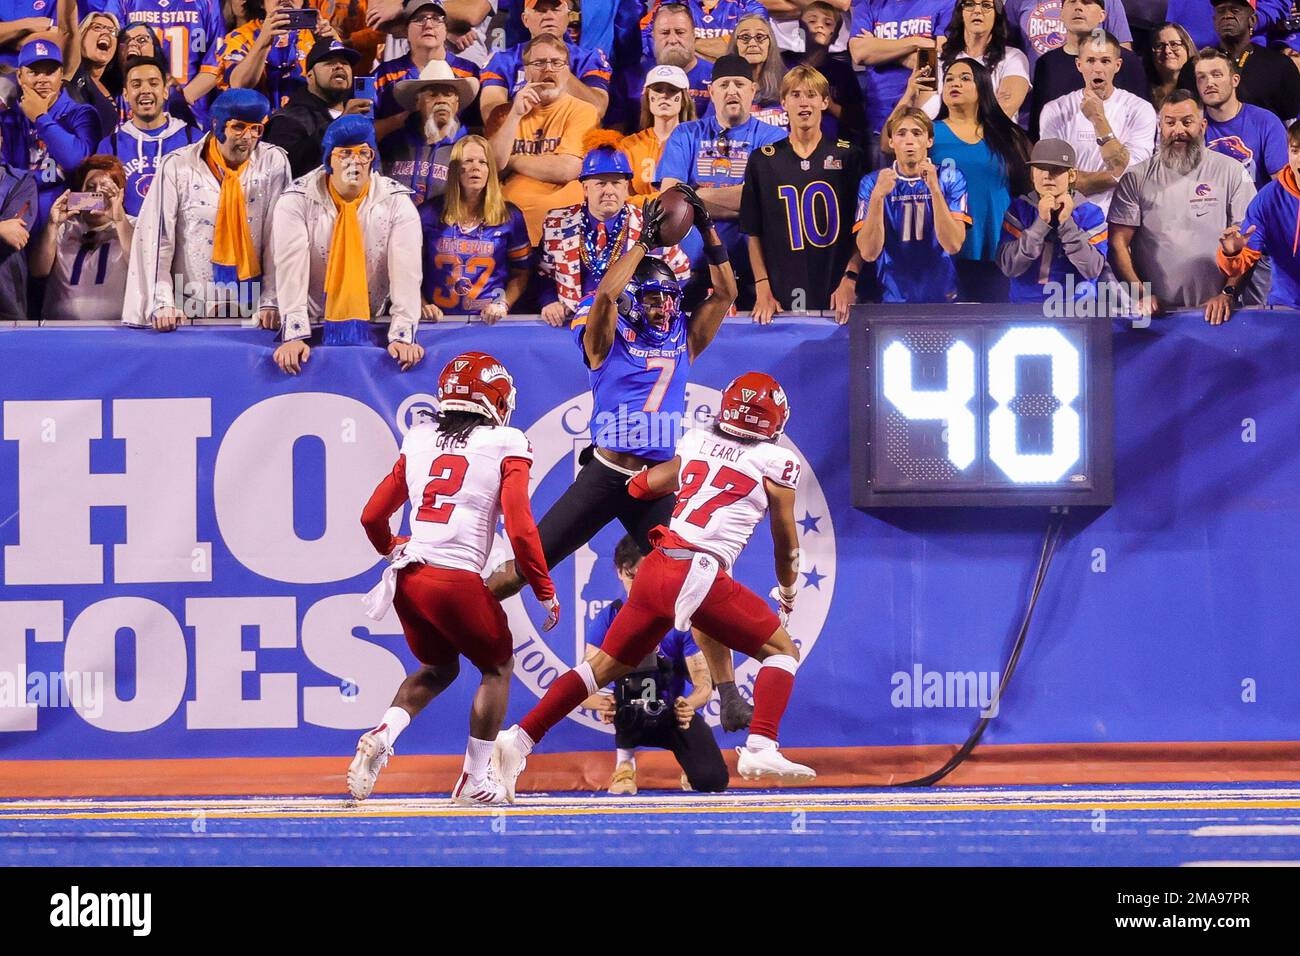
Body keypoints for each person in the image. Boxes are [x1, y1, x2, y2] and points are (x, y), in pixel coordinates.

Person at [487, 187, 756, 734]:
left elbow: (726, 292)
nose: (660, 307)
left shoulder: (683, 337)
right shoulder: (603, 338)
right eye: (651, 299)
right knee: (528, 563)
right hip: (608, 473)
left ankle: (727, 690)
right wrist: (643, 242)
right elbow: (605, 296)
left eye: (665, 299)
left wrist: (707, 230)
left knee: (696, 582)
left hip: (656, 482)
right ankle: (460, 609)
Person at [493, 370, 815, 800]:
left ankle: (519, 739)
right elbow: (786, 543)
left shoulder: (696, 441)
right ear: (773, 421)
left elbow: (643, 485)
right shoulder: (777, 463)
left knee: (600, 668)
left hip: (659, 563)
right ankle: (760, 746)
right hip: (699, 569)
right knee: (781, 652)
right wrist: (788, 590)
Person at [350, 351, 559, 806]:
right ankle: (473, 778)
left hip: (408, 577)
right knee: (497, 666)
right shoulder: (507, 441)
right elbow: (522, 527)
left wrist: (391, 546)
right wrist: (544, 587)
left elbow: (370, 516)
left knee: (438, 668)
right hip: (455, 579)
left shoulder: (420, 437)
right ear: (496, 399)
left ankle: (385, 733)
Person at [123, 89, 290, 329]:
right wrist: (161, 302)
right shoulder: (178, 165)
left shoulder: (273, 162)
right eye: (239, 127)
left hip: (253, 305)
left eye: (256, 129)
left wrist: (272, 300)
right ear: (217, 124)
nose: (248, 137)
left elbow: (278, 236)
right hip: (189, 302)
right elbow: (158, 238)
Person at [271, 116, 425, 372]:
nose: (354, 162)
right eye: (344, 153)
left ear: (373, 158)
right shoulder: (295, 200)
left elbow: (407, 271)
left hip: (373, 318)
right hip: (312, 318)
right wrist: (294, 335)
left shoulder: (397, 202)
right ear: (328, 159)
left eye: (363, 153)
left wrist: (403, 335)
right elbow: (290, 268)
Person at [580, 535, 726, 796]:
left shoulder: (681, 620)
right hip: (629, 715)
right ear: (620, 573)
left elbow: (704, 684)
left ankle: (691, 768)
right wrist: (599, 702)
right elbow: (583, 682)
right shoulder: (609, 617)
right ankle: (624, 763)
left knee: (713, 781)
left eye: (646, 576)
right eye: (632, 576)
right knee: (635, 654)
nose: (639, 586)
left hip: (672, 715)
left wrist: (689, 705)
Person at [1108, 90, 1263, 323]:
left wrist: (1227, 293)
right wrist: (1141, 294)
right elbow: (1118, 243)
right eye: (1170, 123)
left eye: (1187, 122)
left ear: (1203, 126)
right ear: (1160, 128)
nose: (1178, 130)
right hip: (1157, 316)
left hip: (1219, 314)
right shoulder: (1136, 177)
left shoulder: (1232, 171)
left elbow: (1251, 240)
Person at [656, 53, 787, 307]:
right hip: (692, 271)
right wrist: (744, 201)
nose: (732, 91)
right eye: (724, 85)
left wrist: (695, 196)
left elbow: (766, 200)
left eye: (739, 84)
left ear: (753, 89)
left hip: (753, 272)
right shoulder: (686, 134)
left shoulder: (773, 137)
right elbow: (671, 203)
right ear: (712, 91)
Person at [740, 64, 864, 324]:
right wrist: (762, 286)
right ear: (783, 102)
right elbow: (753, 232)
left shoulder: (848, 155)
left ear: (824, 101)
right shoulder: (763, 161)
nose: (803, 102)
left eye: (811, 94)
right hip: (781, 287)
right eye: (795, 95)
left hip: (835, 286)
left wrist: (850, 278)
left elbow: (862, 228)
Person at [538, 133, 691, 328]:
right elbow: (543, 274)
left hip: (634, 327)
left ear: (626, 187)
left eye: (616, 183)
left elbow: (681, 271)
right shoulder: (557, 223)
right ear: (585, 188)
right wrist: (549, 301)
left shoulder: (650, 224)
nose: (609, 191)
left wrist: (655, 305)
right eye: (601, 183)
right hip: (574, 325)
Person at [927, 56, 1030, 301]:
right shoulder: (928, 133)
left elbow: (1026, 191)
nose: (955, 84)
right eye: (949, 79)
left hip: (998, 249)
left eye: (965, 79)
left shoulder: (1009, 135)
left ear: (982, 87)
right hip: (944, 252)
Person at [486, 34, 597, 244]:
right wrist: (515, 115)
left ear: (567, 71)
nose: (548, 69)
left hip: (563, 237)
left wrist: (514, 160)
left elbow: (567, 169)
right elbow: (492, 168)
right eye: (539, 63)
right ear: (526, 70)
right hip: (507, 234)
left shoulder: (583, 111)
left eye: (556, 63)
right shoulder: (504, 114)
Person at [854, 107, 970, 303]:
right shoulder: (873, 183)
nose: (909, 140)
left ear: (929, 140)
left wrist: (934, 189)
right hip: (892, 299)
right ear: (891, 141)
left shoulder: (951, 178)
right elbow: (868, 252)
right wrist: (877, 198)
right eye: (901, 133)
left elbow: (953, 244)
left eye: (917, 133)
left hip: (943, 298)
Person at [1038, 31, 1156, 217]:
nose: (1098, 69)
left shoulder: (1140, 109)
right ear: (1079, 64)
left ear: (1117, 66)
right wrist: (1113, 176)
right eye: (1091, 60)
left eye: (1105, 61)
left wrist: (1098, 119)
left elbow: (1135, 174)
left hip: (1122, 218)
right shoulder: (1055, 110)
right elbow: (1051, 176)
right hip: (1070, 218)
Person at [419, 134, 529, 322]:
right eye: (468, 161)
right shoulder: (428, 213)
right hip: (437, 324)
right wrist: (421, 305)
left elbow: (521, 272)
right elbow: (408, 271)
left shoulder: (510, 216)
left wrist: (503, 303)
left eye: (483, 162)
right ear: (455, 169)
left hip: (488, 324)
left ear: (490, 170)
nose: (475, 167)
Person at [0, 39, 100, 231]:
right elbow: (4, 180)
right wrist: (54, 176)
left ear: (61, 75)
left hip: (70, 227)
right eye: (34, 72)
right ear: (19, 76)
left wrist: (40, 117)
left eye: (50, 72)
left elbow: (76, 162)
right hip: (17, 225)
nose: (42, 79)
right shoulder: (6, 121)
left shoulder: (82, 114)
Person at [997, 138, 1109, 305]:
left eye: (1055, 170)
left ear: (1071, 175)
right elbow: (1009, 267)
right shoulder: (1019, 209)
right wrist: (1040, 224)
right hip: (1024, 308)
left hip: (1077, 309)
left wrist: (1067, 224)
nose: (1047, 176)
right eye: (1040, 169)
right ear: (1032, 174)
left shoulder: (1090, 214)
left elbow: (1093, 269)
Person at [847, 0, 953, 168]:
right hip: (879, 122)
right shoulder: (867, 3)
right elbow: (859, 53)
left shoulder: (944, 2)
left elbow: (938, 58)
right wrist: (917, 42)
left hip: (926, 124)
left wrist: (879, 49)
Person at [1027, 0, 1151, 139]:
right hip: (1060, 155)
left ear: (1102, 15)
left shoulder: (1126, 61)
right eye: (1072, 1)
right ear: (1061, 14)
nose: (1078, 7)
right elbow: (1037, 128)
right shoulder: (1047, 63)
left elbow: (1142, 119)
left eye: (1087, 2)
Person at [94, 56, 198, 219]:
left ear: (165, 91)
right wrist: (72, 203)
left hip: (180, 240)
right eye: (136, 84)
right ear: (126, 94)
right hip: (127, 241)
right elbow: (95, 199)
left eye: (153, 83)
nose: (145, 90)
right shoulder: (110, 145)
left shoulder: (194, 140)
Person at [33, 154, 133, 321]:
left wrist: (119, 219)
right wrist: (52, 225)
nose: (97, 193)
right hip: (59, 331)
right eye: (91, 188)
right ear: (80, 194)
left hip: (116, 333)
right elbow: (38, 270)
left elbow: (144, 267)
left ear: (120, 193)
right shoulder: (63, 226)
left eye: (106, 188)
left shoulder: (132, 226)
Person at [1217, 117, 1300, 313]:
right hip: (1286, 309)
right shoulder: (1268, 199)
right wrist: (1232, 253)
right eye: (1295, 151)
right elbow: (1239, 265)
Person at [480, 0, 611, 122]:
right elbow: (491, 115)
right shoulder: (502, 60)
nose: (548, 16)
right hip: (521, 140)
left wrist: (559, 71)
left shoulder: (589, 59)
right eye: (540, 11)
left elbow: (597, 109)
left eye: (556, 10)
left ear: (568, 17)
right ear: (525, 20)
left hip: (572, 138)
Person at [372, 1, 479, 148]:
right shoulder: (384, 75)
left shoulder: (470, 72)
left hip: (453, 165)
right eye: (419, 18)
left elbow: (482, 129)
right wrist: (405, 119)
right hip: (396, 164)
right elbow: (364, 133)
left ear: (447, 29)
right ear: (405, 30)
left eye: (436, 19)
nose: (428, 25)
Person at [103, 0, 226, 127]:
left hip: (189, 113)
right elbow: (108, 53)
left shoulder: (207, 3)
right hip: (132, 110)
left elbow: (216, 64)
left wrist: (177, 101)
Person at [1175, 0, 1300, 125]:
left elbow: (1291, 127)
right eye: (1221, 11)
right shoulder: (1194, 67)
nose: (1227, 15)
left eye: (1235, 10)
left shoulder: (1279, 66)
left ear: (1253, 20)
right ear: (1214, 21)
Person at [262, 38, 371, 179]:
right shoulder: (288, 118)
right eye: (329, 63)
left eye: (345, 63)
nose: (339, 66)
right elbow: (285, 169)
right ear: (310, 76)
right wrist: (339, 127)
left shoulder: (364, 114)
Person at [384, 58, 478, 204]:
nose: (441, 100)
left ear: (457, 103)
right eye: (433, 95)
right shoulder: (393, 143)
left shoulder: (469, 148)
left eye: (448, 95)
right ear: (417, 102)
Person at [215, 0, 337, 110]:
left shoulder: (317, 35)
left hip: (307, 125)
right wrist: (263, 41)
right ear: (261, 3)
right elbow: (239, 85)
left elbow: (338, 90)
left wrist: (331, 47)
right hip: (255, 128)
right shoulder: (239, 37)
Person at [1194, 47, 1288, 189]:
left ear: (1235, 80)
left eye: (1217, 75)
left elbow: (1282, 186)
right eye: (1201, 77)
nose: (1209, 83)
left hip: (1255, 208)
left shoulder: (1266, 122)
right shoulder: (1194, 127)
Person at [920, 0, 1030, 120]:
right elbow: (920, 110)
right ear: (960, 13)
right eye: (969, 4)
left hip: (991, 136)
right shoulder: (932, 60)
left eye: (986, 5)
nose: (977, 11)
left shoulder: (1013, 57)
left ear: (996, 15)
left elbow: (1005, 109)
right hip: (936, 136)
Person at [780, 1, 866, 140]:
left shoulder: (842, 72)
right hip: (788, 144)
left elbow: (857, 120)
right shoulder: (783, 64)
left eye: (827, 23)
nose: (819, 25)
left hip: (832, 147)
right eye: (812, 21)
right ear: (800, 29)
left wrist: (829, 104)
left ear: (835, 35)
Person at [617, 64, 694, 206]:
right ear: (648, 97)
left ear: (683, 99)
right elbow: (621, 197)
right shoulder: (628, 145)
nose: (664, 95)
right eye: (658, 90)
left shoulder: (696, 143)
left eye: (672, 90)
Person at [1003, 0, 1133, 68]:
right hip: (1034, 99)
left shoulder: (1109, 2)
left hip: (1092, 94)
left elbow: (1122, 51)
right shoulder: (1016, 2)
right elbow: (1007, 50)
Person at [56, 7, 121, 139]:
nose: (106, 33)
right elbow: (67, 30)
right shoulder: (71, 71)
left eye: (112, 31)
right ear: (81, 35)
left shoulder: (116, 87)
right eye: (97, 27)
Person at [641, 0, 767, 63]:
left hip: (735, 80)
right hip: (684, 81)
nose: (675, 39)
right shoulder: (669, 5)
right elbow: (649, 42)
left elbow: (750, 47)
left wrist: (680, 44)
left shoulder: (750, 6)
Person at [719, 13, 786, 127]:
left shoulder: (788, 82)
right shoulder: (721, 86)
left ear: (770, 44)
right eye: (745, 37)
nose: (752, 44)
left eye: (759, 37)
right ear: (735, 45)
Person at [0, 136, 38, 321]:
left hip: (5, 298)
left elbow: (14, 236)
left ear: (0, 140)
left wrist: (5, 231)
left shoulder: (21, 182)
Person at [1148, 21, 1195, 110]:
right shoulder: (1142, 92)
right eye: (1159, 46)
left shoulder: (1200, 89)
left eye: (1174, 44)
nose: (1167, 51)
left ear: (1188, 47)